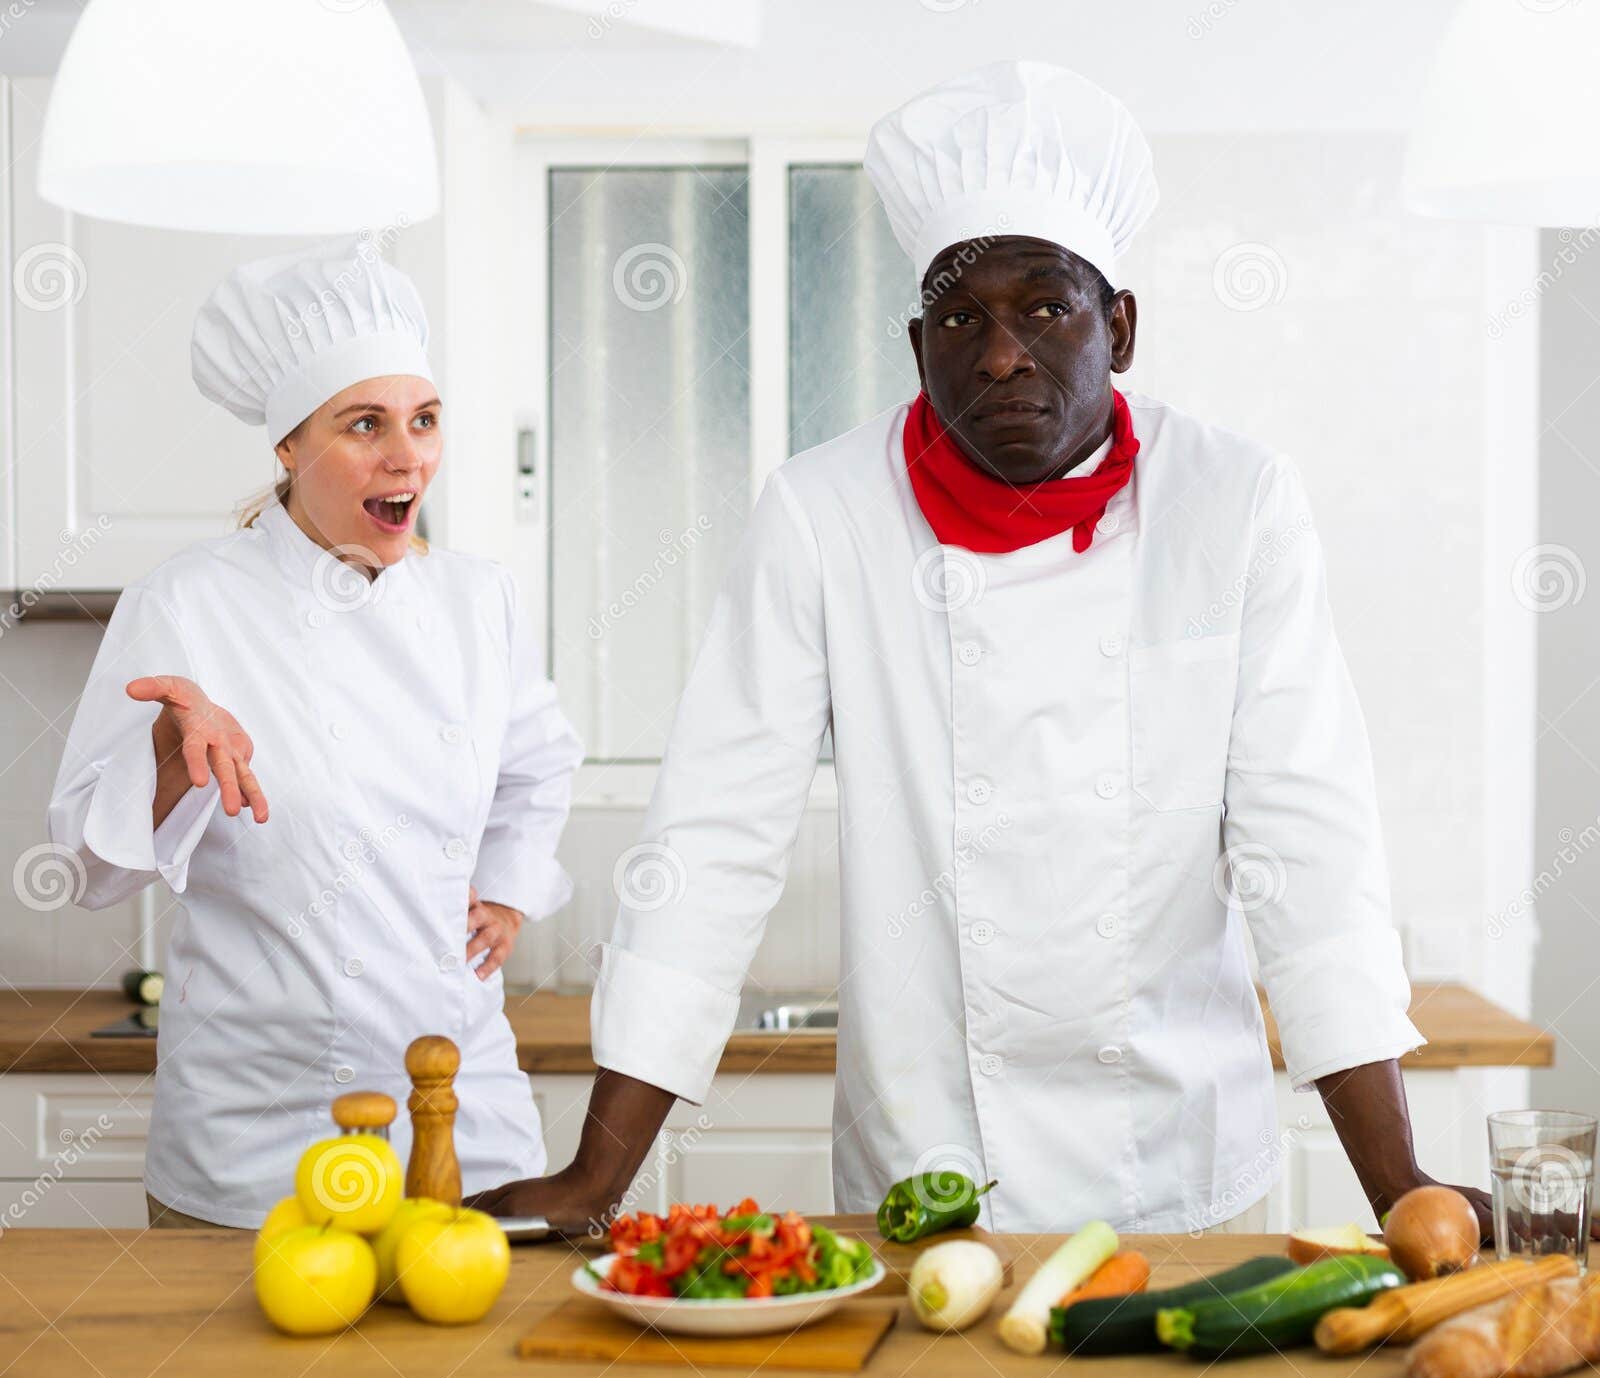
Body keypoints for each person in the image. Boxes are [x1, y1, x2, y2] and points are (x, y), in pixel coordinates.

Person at [473, 62, 1484, 1236]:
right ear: (918, 346)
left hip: (1171, 1163)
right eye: (962, 318)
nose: (1002, 353)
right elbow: (711, 837)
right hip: (928, 1152)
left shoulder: (1234, 501)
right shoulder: (822, 512)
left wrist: (1397, 1181)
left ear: (1122, 326)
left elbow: (1306, 836)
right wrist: (600, 1177)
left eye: (1047, 307)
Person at [48, 237, 583, 1229]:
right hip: (256, 1140)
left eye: (423, 420)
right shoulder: (190, 602)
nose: (407, 454)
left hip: (461, 1125)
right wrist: (165, 764)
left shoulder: (477, 602)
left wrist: (507, 887)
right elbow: (83, 862)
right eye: (364, 424)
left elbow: (538, 766)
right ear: (288, 446)